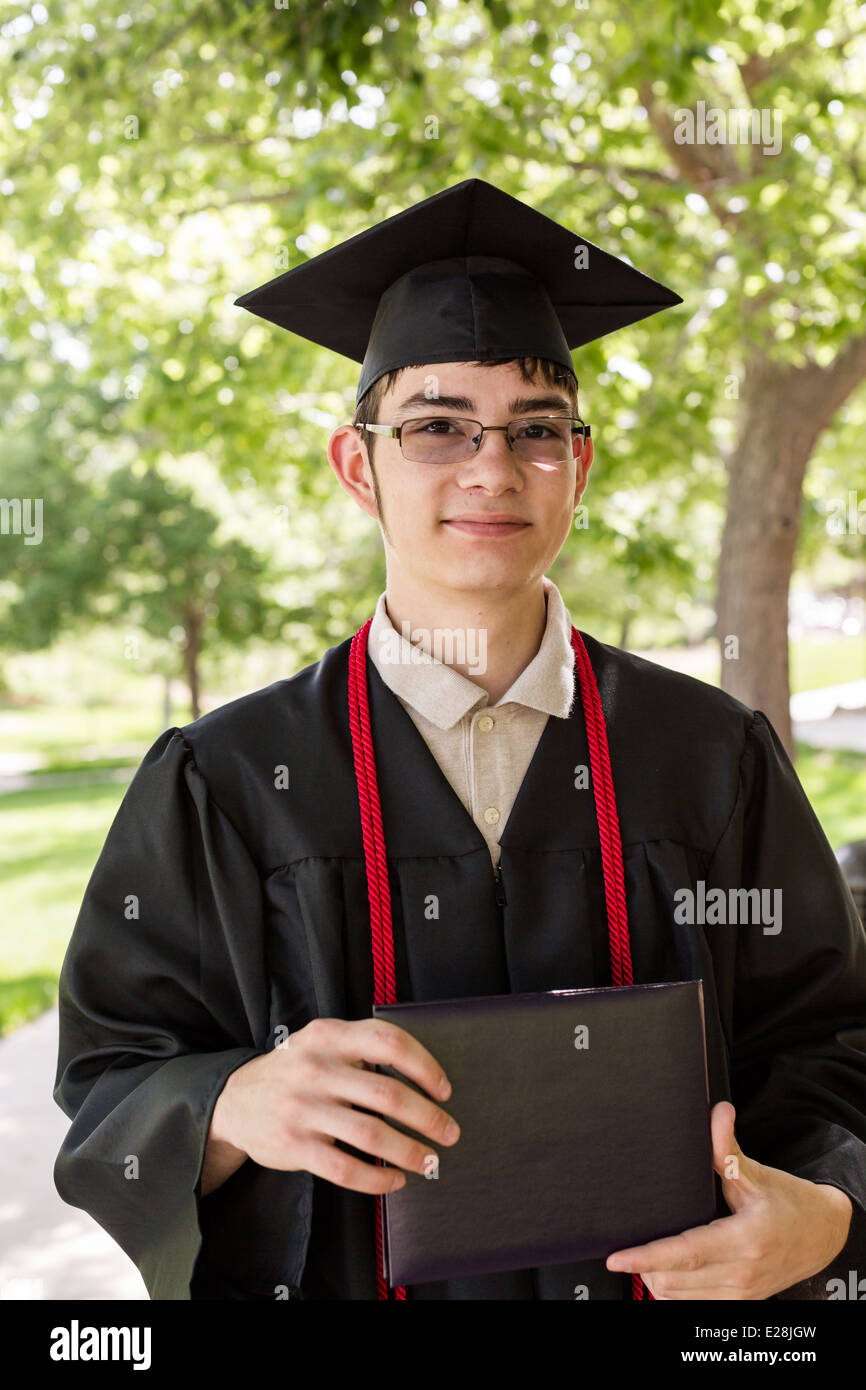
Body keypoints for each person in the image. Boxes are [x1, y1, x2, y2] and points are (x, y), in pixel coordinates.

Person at [53, 179, 866, 1300]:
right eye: (437, 427)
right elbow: (112, 1078)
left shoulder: (708, 756)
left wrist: (823, 1214)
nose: (491, 467)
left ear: (577, 469)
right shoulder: (227, 780)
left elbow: (830, 1042)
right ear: (358, 467)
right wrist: (228, 1104)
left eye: (535, 429)